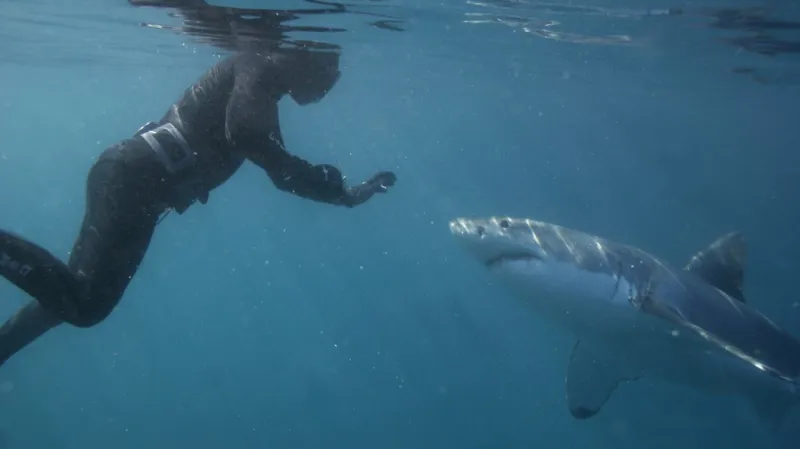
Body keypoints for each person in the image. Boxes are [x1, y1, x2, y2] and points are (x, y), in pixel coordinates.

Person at [0, 47, 397, 367]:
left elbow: (279, 168)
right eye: (330, 67)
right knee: (84, 305)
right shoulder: (257, 65)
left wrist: (343, 195)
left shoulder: (264, 85)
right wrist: (334, 189)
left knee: (68, 296)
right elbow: (245, 135)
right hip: (131, 183)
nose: (333, 80)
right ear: (302, 54)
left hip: (132, 183)